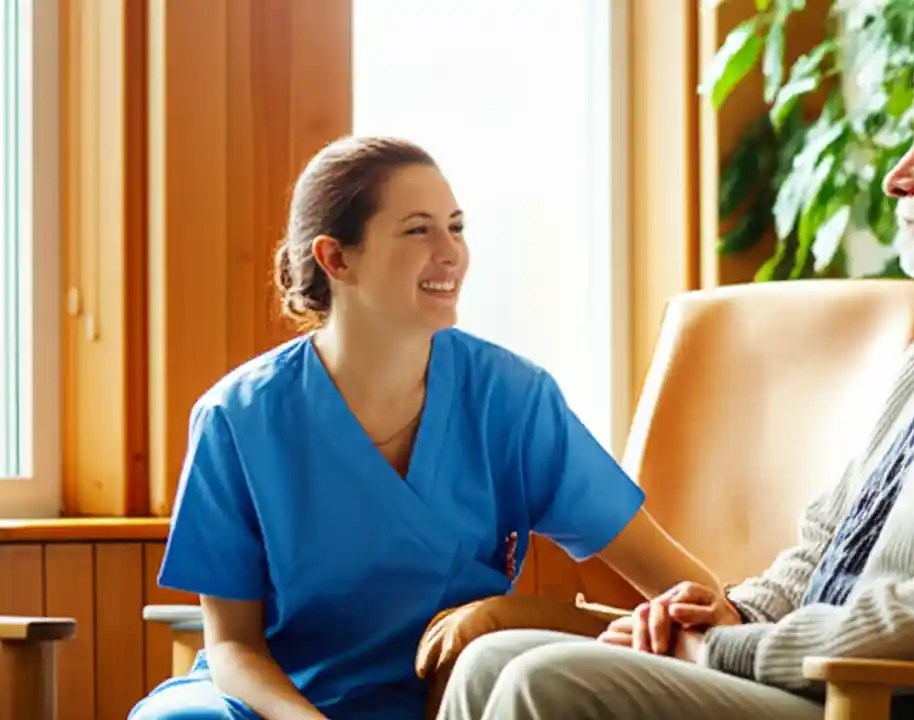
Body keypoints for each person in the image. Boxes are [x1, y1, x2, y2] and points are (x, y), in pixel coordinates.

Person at [438, 30, 914, 720]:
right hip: (851, 687)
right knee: (493, 663)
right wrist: (719, 613)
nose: (897, 178)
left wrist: (723, 648)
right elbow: (825, 548)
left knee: (546, 685)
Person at [129, 136, 721, 720]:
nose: (451, 253)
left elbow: (684, 587)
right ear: (336, 259)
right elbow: (232, 645)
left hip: (456, 700)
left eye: (457, 227)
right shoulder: (237, 418)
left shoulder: (511, 399)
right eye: (418, 230)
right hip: (274, 703)